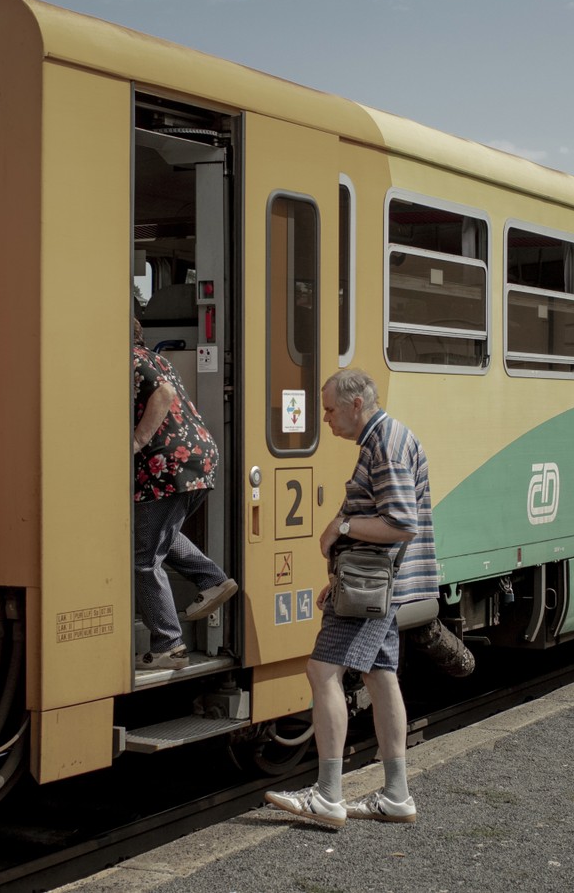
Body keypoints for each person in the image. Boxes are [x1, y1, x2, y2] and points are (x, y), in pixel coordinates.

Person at [265, 369, 439, 829]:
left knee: (322, 671)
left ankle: (327, 796)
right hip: (376, 583)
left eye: (329, 408)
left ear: (356, 404)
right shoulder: (387, 440)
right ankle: (397, 796)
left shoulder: (385, 447)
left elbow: (400, 524)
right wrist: (343, 573)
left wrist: (340, 528)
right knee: (381, 677)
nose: (325, 418)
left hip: (376, 588)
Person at [132, 317, 238, 670]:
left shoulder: (130, 359)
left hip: (168, 464)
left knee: (144, 558)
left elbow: (163, 394)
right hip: (197, 458)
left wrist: (136, 441)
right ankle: (212, 580)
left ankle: (168, 645)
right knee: (162, 535)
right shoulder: (155, 357)